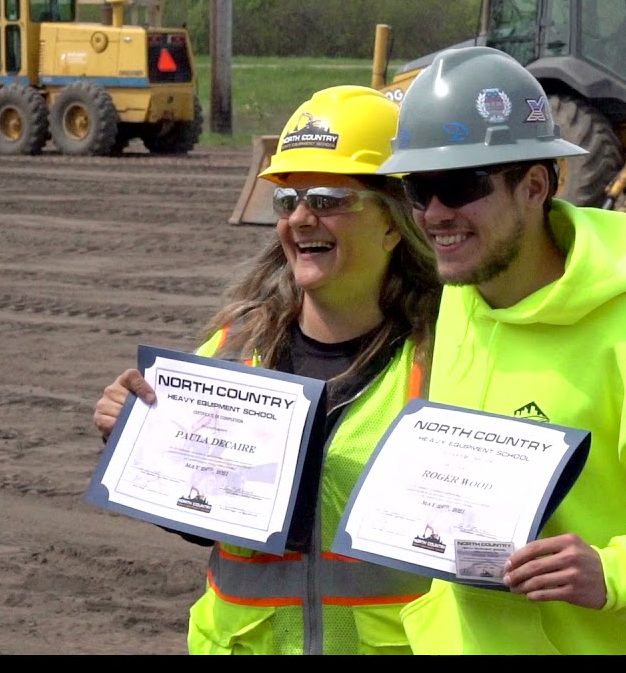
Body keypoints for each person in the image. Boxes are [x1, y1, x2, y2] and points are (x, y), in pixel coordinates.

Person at [372, 46, 626, 655]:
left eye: (458, 185)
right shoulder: (457, 305)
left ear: (535, 185)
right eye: (417, 188)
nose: (434, 213)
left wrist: (617, 572)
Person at [92, 85, 442, 655]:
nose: (301, 218)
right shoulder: (235, 347)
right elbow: (204, 517)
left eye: (327, 199)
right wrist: (137, 437)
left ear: (394, 222)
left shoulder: (445, 359)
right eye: (288, 200)